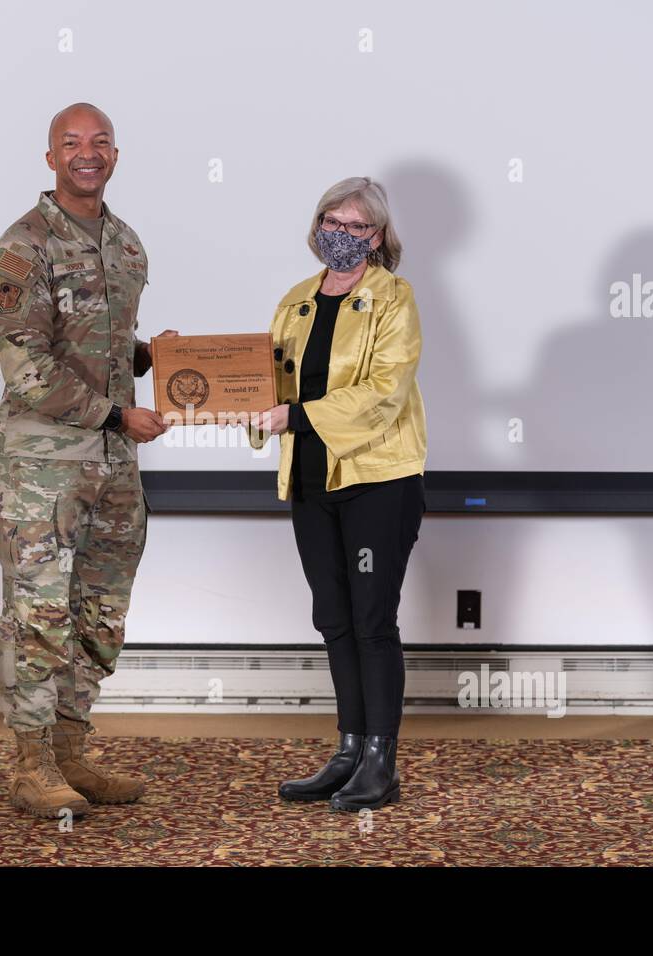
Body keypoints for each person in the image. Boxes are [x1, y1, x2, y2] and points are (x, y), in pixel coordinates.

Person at [0, 102, 176, 818]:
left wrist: (159, 358)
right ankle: (29, 765)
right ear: (50, 158)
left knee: (98, 612)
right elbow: (27, 368)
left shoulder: (125, 245)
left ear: (115, 156)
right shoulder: (21, 248)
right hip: (44, 470)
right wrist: (117, 414)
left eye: (99, 143)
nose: (86, 154)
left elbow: (99, 349)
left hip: (113, 467)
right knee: (36, 615)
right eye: (71, 143)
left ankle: (69, 751)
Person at [251, 177, 427, 812]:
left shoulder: (393, 299)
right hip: (309, 479)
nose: (342, 235)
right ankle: (349, 750)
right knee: (333, 619)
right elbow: (259, 381)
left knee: (371, 622)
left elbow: (386, 390)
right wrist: (217, 389)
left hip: (377, 481)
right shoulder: (297, 301)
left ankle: (382, 760)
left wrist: (296, 415)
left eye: (357, 227)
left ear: (378, 237)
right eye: (333, 220)